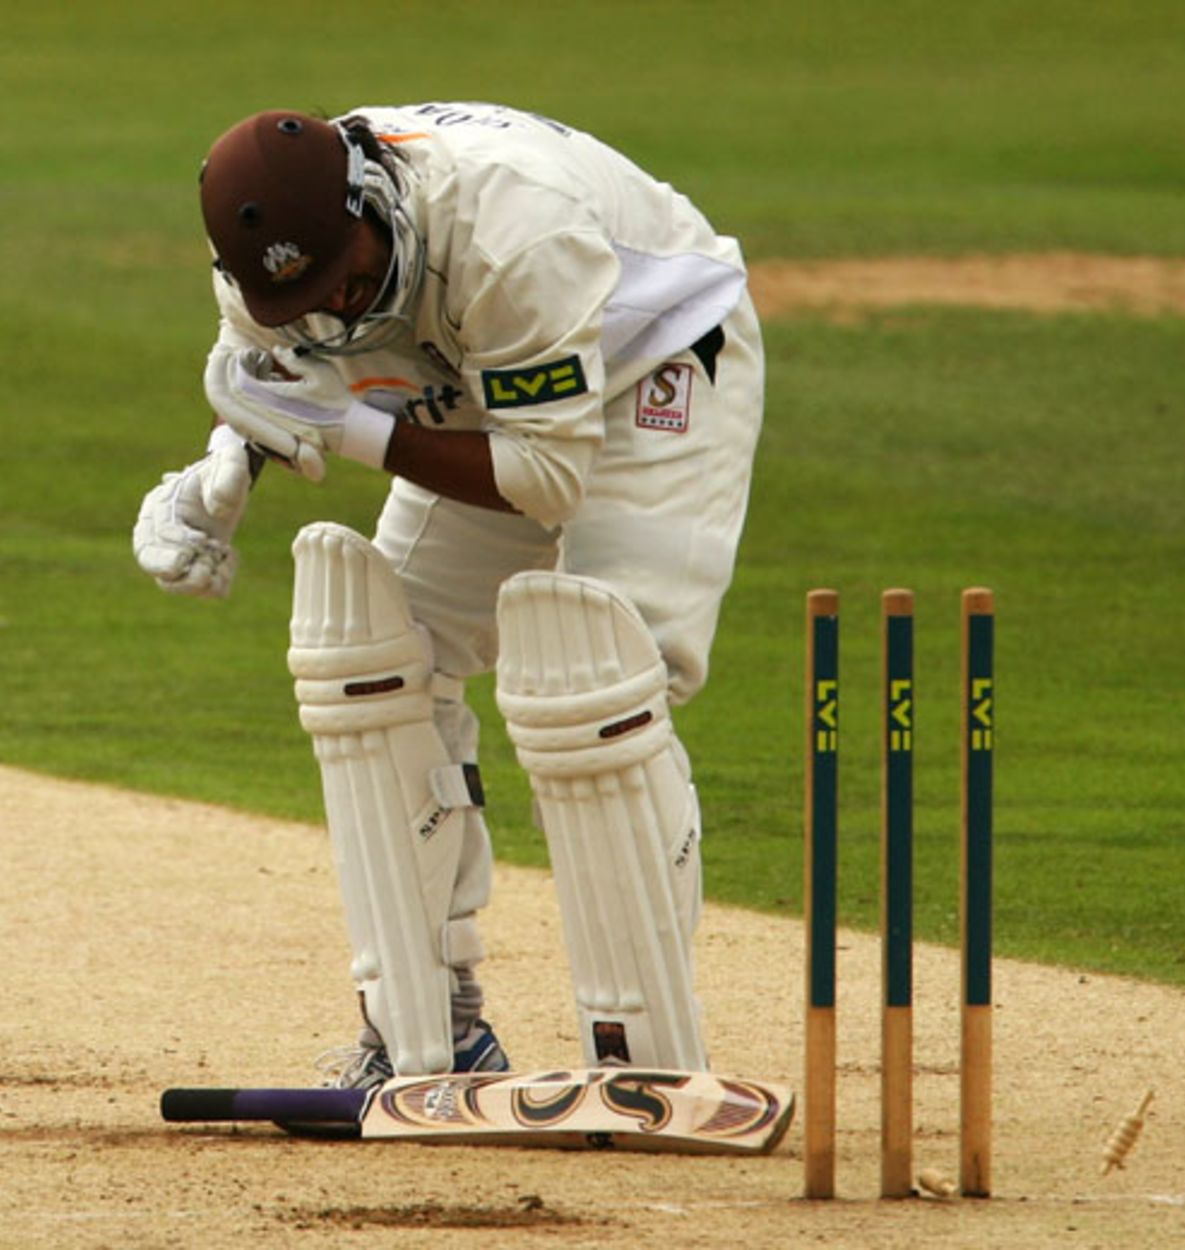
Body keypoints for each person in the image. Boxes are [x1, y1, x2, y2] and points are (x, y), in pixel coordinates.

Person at [132, 102, 764, 1090]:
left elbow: (545, 479)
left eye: (347, 279)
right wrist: (218, 476)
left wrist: (348, 429)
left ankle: (644, 1055)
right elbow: (282, 379)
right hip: (483, 376)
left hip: (657, 356)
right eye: (303, 303)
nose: (336, 312)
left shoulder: (513, 231)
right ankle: (435, 1027)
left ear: (371, 201)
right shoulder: (265, 280)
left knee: (597, 679)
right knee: (378, 663)